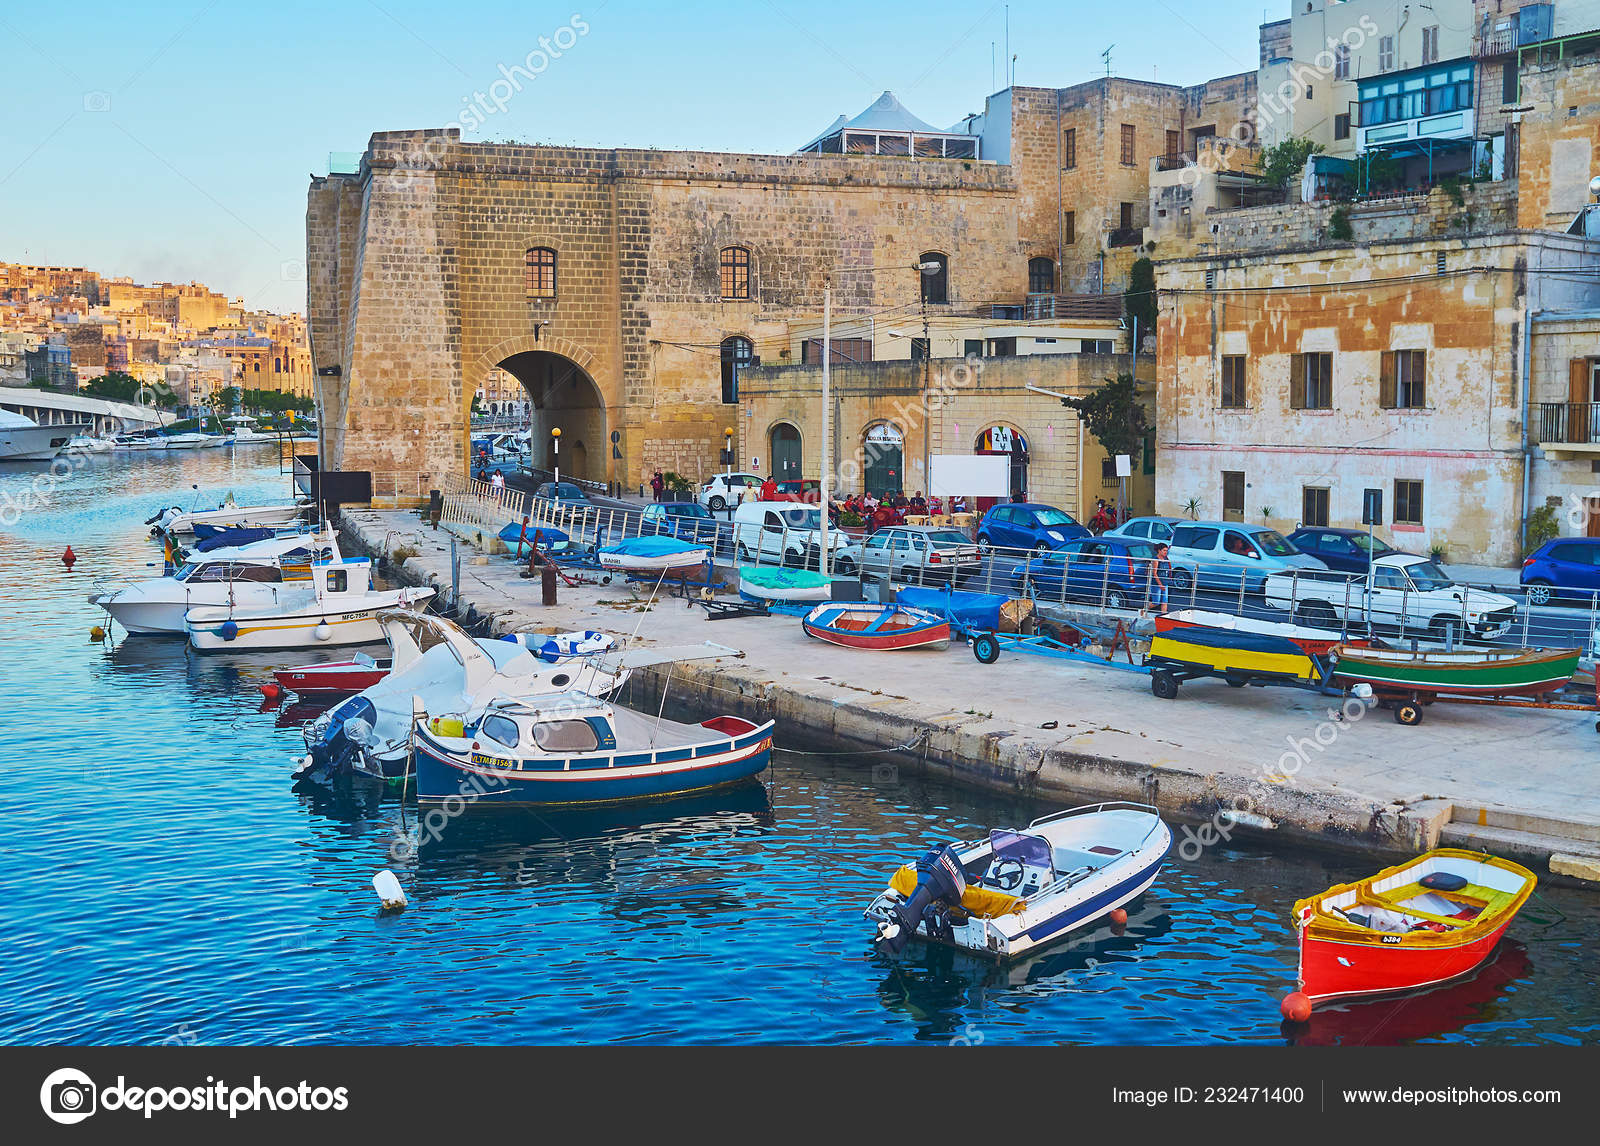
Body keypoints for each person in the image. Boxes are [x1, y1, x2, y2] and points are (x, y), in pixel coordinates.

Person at [1147, 543, 1170, 615]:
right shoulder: (1156, 560)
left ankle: (1164, 617)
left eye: (1166, 550)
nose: (1166, 552)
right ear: (1159, 551)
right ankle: (1144, 609)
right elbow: (1154, 573)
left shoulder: (1166, 559)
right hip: (1156, 584)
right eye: (1164, 550)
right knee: (1156, 602)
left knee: (1164, 602)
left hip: (1165, 583)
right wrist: (1160, 585)